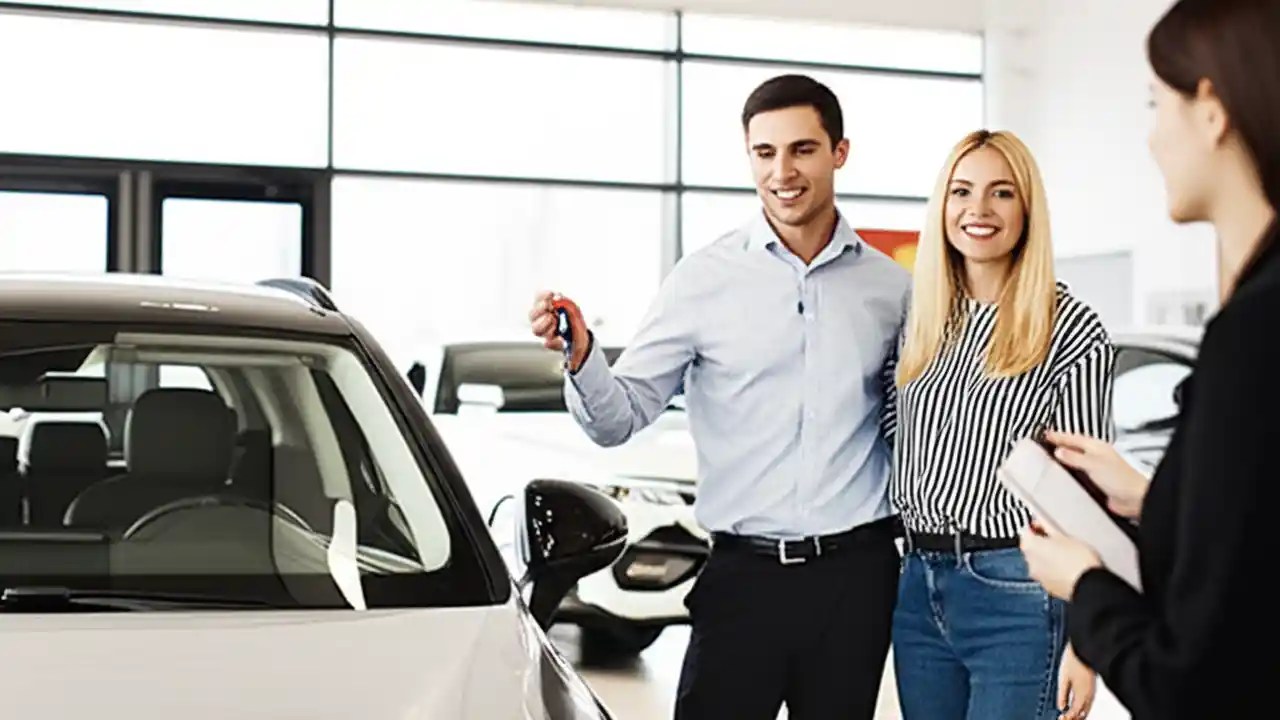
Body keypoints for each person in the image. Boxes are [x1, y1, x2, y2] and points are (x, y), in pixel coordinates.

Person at [528, 73, 910, 720]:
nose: (782, 172)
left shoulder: (892, 289)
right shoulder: (703, 280)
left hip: (858, 578)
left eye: (802, 150)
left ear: (839, 152)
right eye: (764, 154)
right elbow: (618, 420)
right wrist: (585, 355)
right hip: (743, 582)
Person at [1019, 1, 1280, 719]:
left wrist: (1085, 584)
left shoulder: (1252, 335)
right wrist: (1152, 495)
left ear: (1211, 109)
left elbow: (1190, 682)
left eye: (1154, 104)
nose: (1152, 138)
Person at [883, 128, 1106, 720]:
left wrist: (1086, 645)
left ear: (1026, 209)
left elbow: (1083, 498)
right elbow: (889, 437)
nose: (978, 210)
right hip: (917, 583)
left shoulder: (1071, 329)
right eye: (962, 191)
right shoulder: (921, 321)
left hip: (1016, 592)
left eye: (1001, 193)